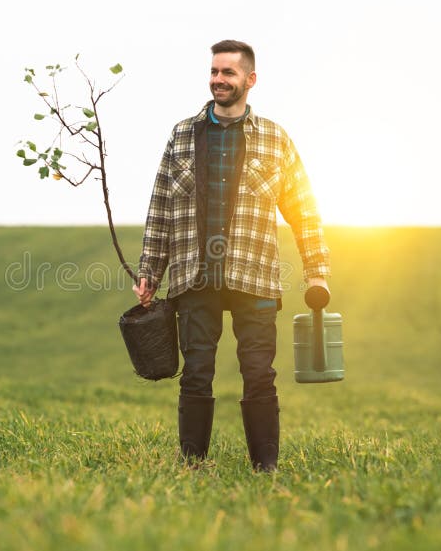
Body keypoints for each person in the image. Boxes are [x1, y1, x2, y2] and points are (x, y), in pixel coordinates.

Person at [134, 40, 331, 472]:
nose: (218, 80)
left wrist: (317, 272)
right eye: (214, 71)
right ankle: (191, 464)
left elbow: (304, 211)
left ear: (250, 80)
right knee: (197, 372)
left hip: (255, 274)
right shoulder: (182, 134)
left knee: (259, 373)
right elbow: (161, 206)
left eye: (228, 73)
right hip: (194, 275)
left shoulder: (275, 139)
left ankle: (266, 467)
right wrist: (150, 270)